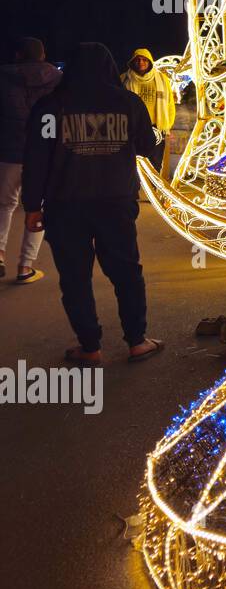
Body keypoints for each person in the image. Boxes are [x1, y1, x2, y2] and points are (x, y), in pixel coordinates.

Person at [23, 43, 164, 365]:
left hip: (65, 204)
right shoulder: (128, 103)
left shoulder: (50, 107)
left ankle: (90, 347)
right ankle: (137, 341)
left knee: (75, 277)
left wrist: (32, 205)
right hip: (115, 202)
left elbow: (36, 158)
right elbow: (146, 145)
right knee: (127, 272)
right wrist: (156, 135)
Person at [0, 37, 61, 283]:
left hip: (8, 152)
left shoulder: (3, 78)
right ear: (43, 55)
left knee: (4, 205)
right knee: (38, 209)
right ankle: (25, 267)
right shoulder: (57, 79)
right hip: (43, 155)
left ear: (17, 55)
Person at [120, 48, 175, 172]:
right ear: (132, 62)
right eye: (137, 60)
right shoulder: (124, 79)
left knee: (155, 162)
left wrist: (167, 125)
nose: (141, 62)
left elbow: (170, 104)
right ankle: (135, 190)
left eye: (144, 60)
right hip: (132, 128)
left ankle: (153, 189)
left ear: (150, 61)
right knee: (131, 162)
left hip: (156, 128)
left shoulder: (162, 79)